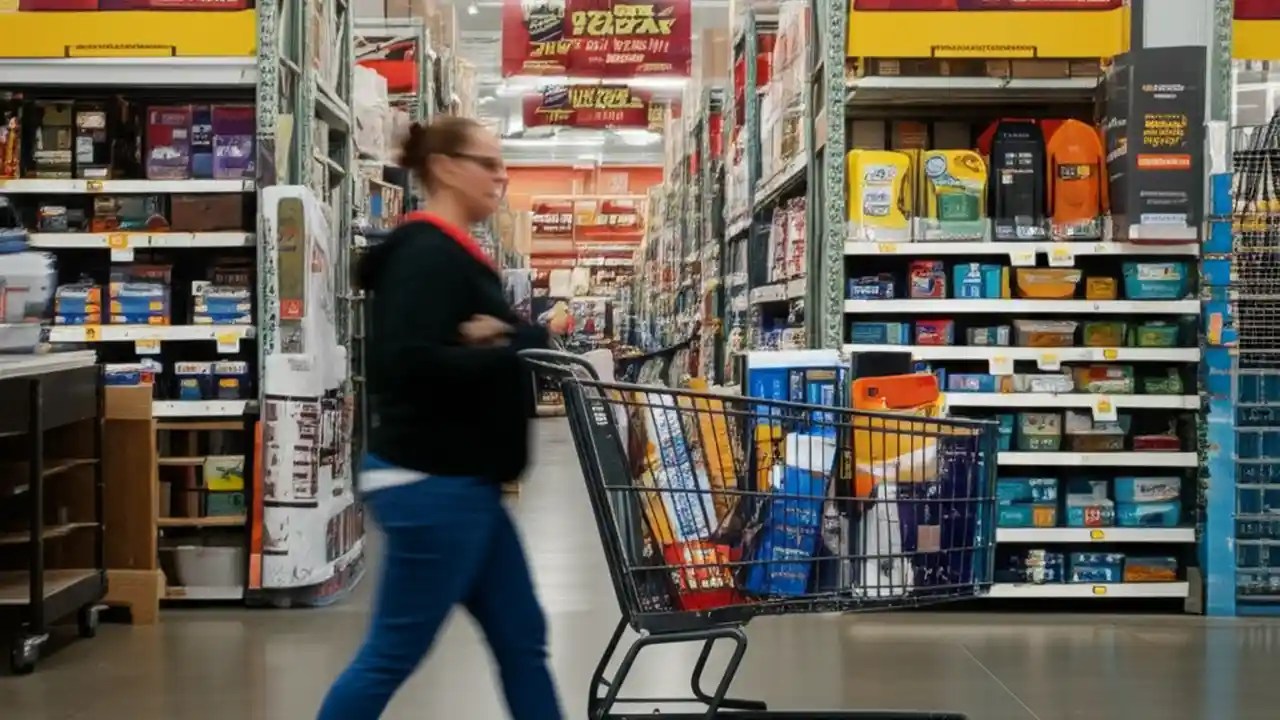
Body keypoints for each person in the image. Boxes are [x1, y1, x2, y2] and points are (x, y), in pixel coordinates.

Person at [317, 116, 564, 720]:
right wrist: (504, 347)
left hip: (467, 484)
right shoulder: (426, 255)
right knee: (392, 652)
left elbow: (500, 342)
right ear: (448, 168)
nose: (500, 177)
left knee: (521, 637)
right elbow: (407, 364)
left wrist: (505, 336)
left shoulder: (454, 252)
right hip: (432, 483)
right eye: (488, 163)